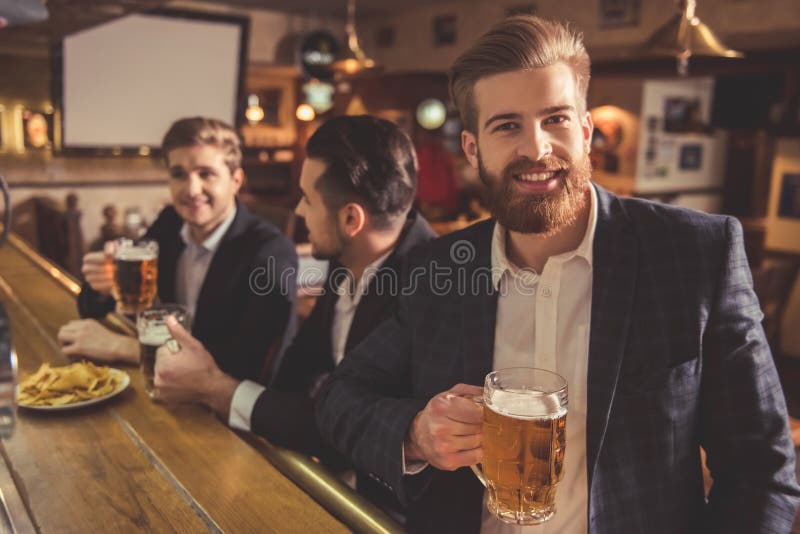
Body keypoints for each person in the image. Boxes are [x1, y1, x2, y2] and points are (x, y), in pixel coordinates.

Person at [315, 16, 800, 534]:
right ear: (474, 149)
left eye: (556, 119)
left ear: (586, 131)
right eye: (507, 126)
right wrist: (415, 434)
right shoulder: (438, 268)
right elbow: (339, 397)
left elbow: (761, 469)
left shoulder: (695, 255)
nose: (538, 148)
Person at [152, 115, 435, 512]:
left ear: (351, 219)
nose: (298, 211)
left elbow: (346, 428)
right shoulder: (350, 254)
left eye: (307, 198)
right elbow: (297, 371)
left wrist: (217, 388)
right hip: (319, 478)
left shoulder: (431, 291)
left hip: (379, 512)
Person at [58, 117, 296, 383]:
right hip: (167, 386)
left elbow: (249, 362)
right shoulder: (171, 221)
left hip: (225, 412)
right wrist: (102, 285)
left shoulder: (272, 252)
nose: (191, 189)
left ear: (236, 180)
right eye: (179, 174)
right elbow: (92, 309)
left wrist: (126, 348)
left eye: (206, 174)